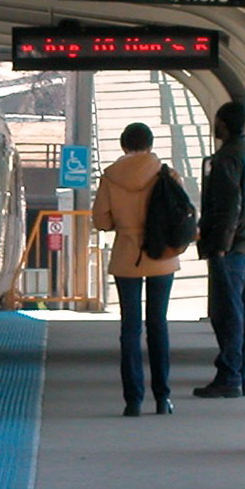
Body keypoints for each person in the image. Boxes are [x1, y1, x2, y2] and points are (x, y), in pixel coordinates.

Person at [92, 122, 183, 416]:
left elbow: (102, 222)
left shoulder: (110, 177)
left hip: (126, 256)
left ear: (123, 146)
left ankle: (133, 400)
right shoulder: (167, 174)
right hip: (162, 256)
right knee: (158, 324)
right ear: (150, 145)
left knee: (130, 327)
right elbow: (181, 214)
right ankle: (163, 398)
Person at [192, 100, 245, 398]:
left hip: (230, 247)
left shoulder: (226, 159)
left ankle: (229, 375)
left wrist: (220, 244)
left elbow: (228, 206)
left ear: (223, 124)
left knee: (227, 311)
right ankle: (243, 375)